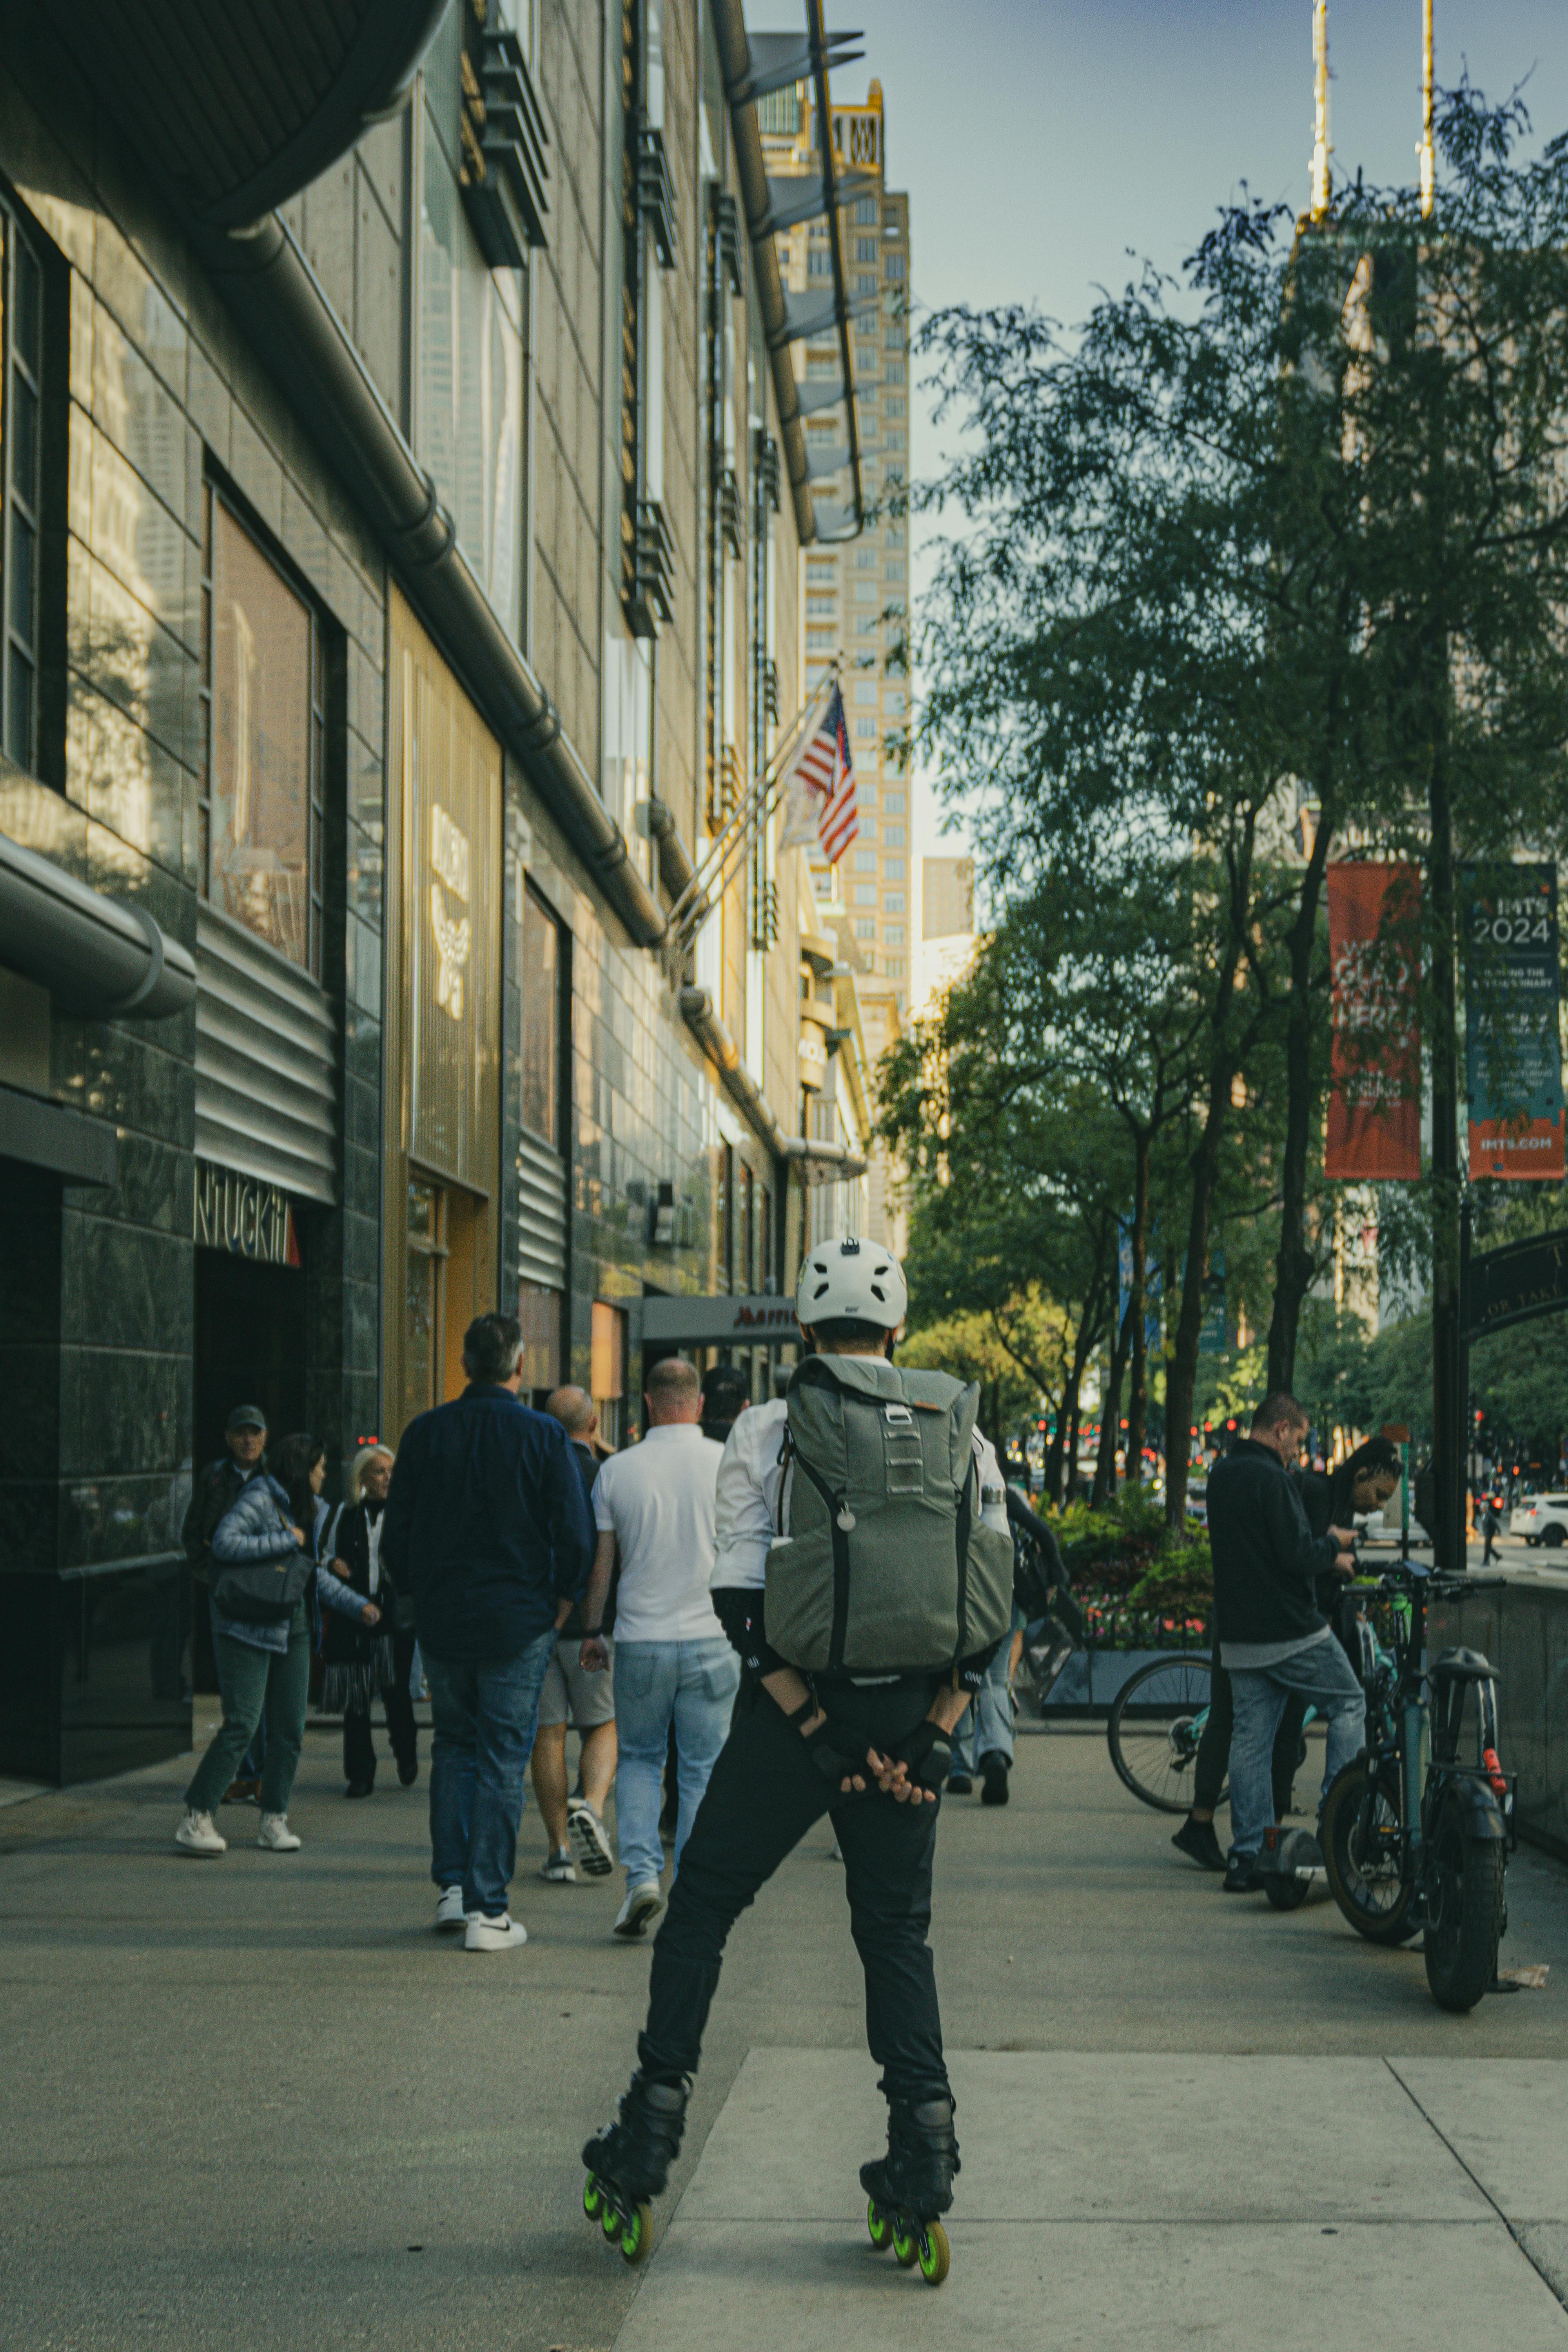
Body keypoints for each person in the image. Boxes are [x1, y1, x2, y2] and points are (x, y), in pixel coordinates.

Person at [581, 1236, 1012, 2257]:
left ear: (805, 1332)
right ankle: (924, 2153)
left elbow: (740, 1603)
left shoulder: (771, 1427)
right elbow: (991, 1611)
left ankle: (647, 2137)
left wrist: (819, 1733)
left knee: (704, 1911)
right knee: (895, 1937)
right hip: (915, 1719)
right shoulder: (961, 1428)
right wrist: (932, 1741)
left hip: (790, 1716)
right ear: (899, 1330)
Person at [381, 1313, 595, 1951]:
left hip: (444, 1620)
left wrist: (417, 1600)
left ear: (466, 1363)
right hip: (519, 1619)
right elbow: (575, 1537)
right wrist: (560, 1609)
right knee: (504, 1756)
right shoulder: (544, 1437)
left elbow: (397, 1539)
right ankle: (488, 1909)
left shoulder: (424, 1434)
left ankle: (452, 1887)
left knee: (454, 1747)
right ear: (520, 1365)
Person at [577, 1357, 738, 1939]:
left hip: (641, 1640)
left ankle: (642, 1877)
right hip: (713, 1639)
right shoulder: (727, 1465)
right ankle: (692, 1892)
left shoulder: (617, 1470)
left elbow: (603, 1565)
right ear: (696, 1404)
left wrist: (594, 1631)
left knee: (642, 1761)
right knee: (702, 1770)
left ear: (648, 1402)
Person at [1207, 1392, 1365, 1894]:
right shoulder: (1272, 1479)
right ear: (1279, 1430)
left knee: (1250, 1739)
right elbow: (1296, 1554)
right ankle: (1336, 1827)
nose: (1298, 1452)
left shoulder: (1221, 1475)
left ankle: (1246, 1856)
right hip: (1291, 1629)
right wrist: (1334, 1546)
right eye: (1297, 1440)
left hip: (1239, 1634)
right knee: (1350, 1703)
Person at [175, 1431, 327, 1857]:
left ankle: (274, 1819)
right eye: (320, 1467)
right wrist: (286, 1539)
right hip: (246, 1622)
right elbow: (224, 1542)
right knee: (242, 1721)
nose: (325, 1474)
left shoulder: (307, 1507)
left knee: (290, 1729)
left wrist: (361, 1608)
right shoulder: (262, 1496)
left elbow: (314, 1573)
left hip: (290, 1619)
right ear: (302, 1469)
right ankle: (196, 1815)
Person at [533, 1386, 618, 1885]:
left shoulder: (531, 1474)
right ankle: (592, 1808)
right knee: (602, 1724)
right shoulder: (603, 1475)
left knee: (548, 1734)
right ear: (592, 1425)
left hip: (539, 1625)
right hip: (593, 1624)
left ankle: (558, 1850)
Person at [316, 1445, 418, 1797]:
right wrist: (332, 1566)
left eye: (391, 1471)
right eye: (379, 1472)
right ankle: (361, 1773)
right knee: (356, 1698)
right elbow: (323, 1555)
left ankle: (406, 1752)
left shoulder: (405, 1514)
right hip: (353, 1613)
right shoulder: (344, 1515)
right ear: (362, 1478)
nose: (387, 1478)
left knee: (397, 1693)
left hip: (395, 1618)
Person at [181, 1403, 269, 1802]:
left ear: (264, 1437)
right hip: (227, 1593)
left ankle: (262, 1772)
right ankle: (248, 1772)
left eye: (254, 1433)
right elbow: (193, 1530)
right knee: (237, 1689)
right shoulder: (214, 1477)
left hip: (267, 1594)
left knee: (264, 1687)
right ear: (229, 1439)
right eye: (240, 1434)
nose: (248, 1441)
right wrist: (210, 1578)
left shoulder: (276, 1475)